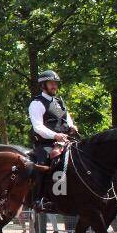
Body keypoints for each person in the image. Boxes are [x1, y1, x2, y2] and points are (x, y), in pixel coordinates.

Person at [29, 70, 79, 214]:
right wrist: (55, 135)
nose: (54, 86)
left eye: (55, 84)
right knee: (44, 164)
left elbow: (66, 119)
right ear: (43, 85)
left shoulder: (59, 102)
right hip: (45, 144)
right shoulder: (37, 103)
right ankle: (39, 199)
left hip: (65, 141)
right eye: (51, 83)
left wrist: (72, 126)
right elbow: (38, 127)